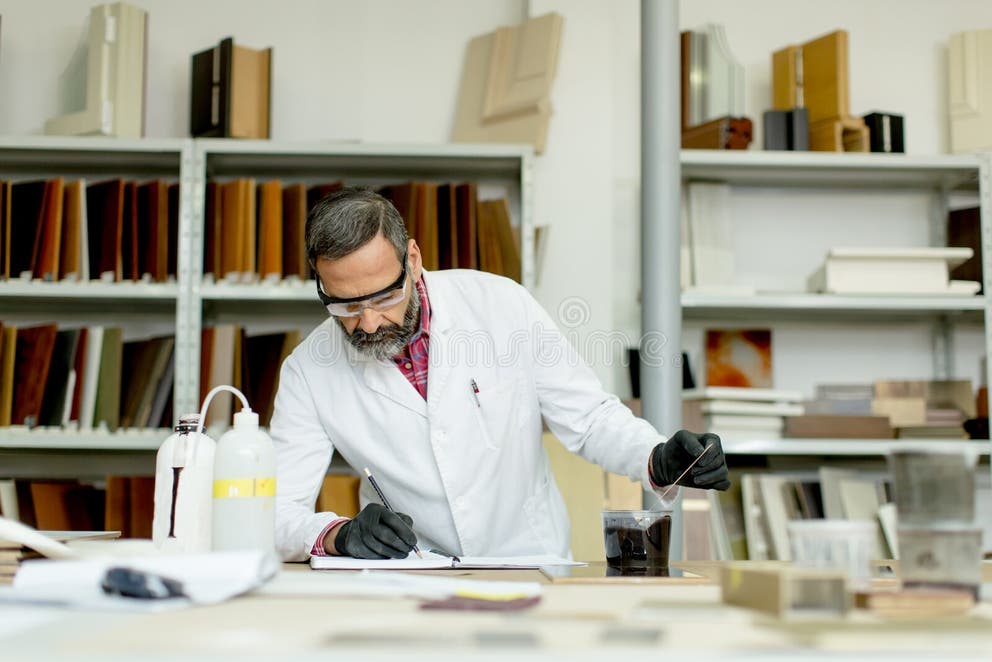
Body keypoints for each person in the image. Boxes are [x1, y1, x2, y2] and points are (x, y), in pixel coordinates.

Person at [272, 187, 730, 562]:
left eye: (383, 298)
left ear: (412, 260)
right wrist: (338, 535)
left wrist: (655, 456)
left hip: (528, 563)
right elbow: (275, 512)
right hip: (409, 575)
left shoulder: (500, 305)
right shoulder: (308, 370)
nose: (368, 323)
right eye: (345, 306)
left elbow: (588, 418)